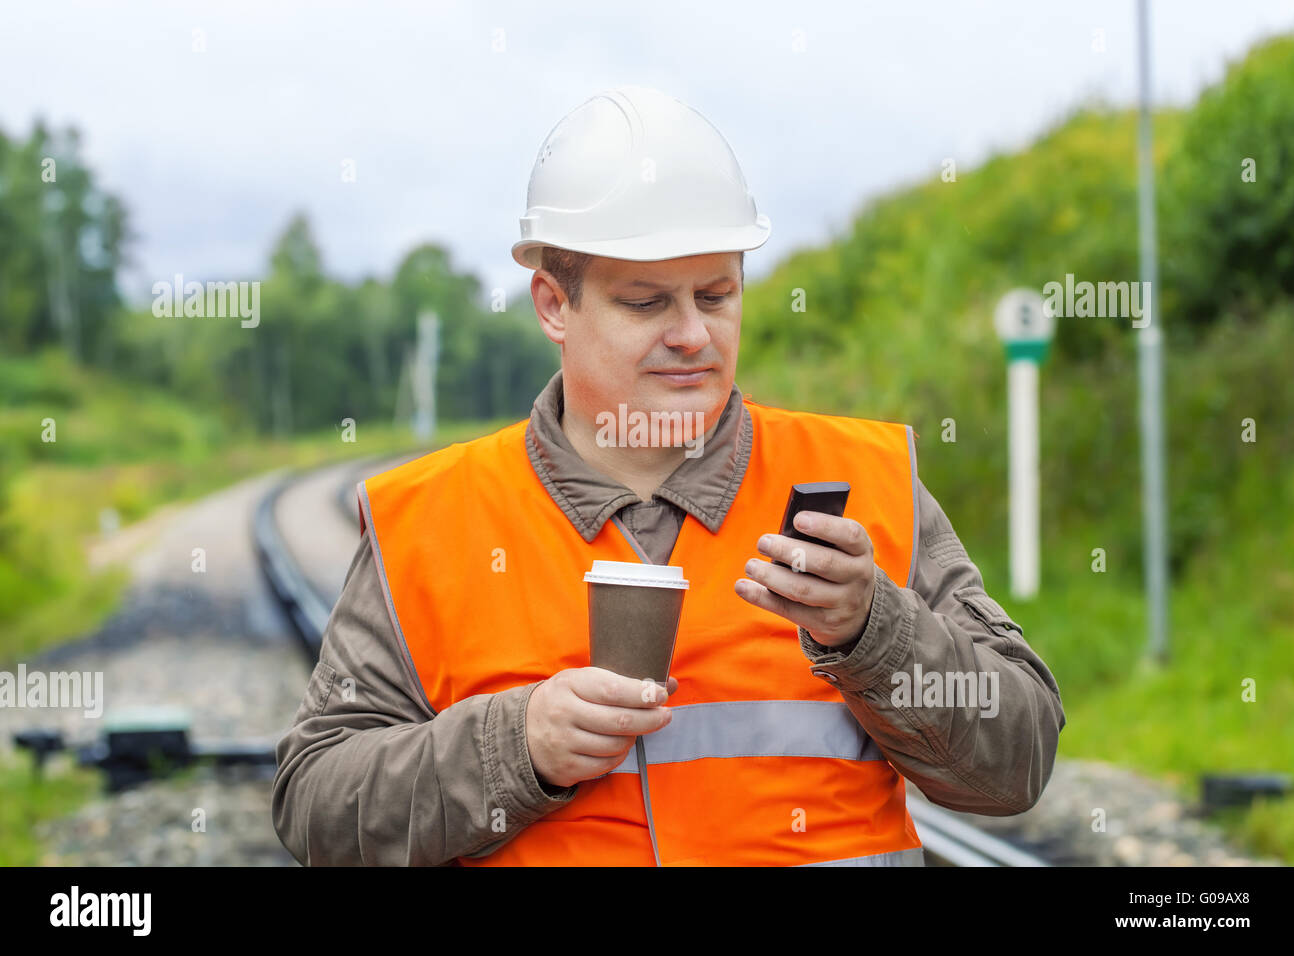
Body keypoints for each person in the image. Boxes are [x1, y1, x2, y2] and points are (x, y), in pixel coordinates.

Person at [272, 85, 1065, 867]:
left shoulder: (865, 484)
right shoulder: (431, 519)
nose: (694, 334)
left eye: (716, 295)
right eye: (648, 303)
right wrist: (515, 747)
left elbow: (1017, 763)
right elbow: (315, 809)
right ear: (553, 304)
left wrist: (875, 632)